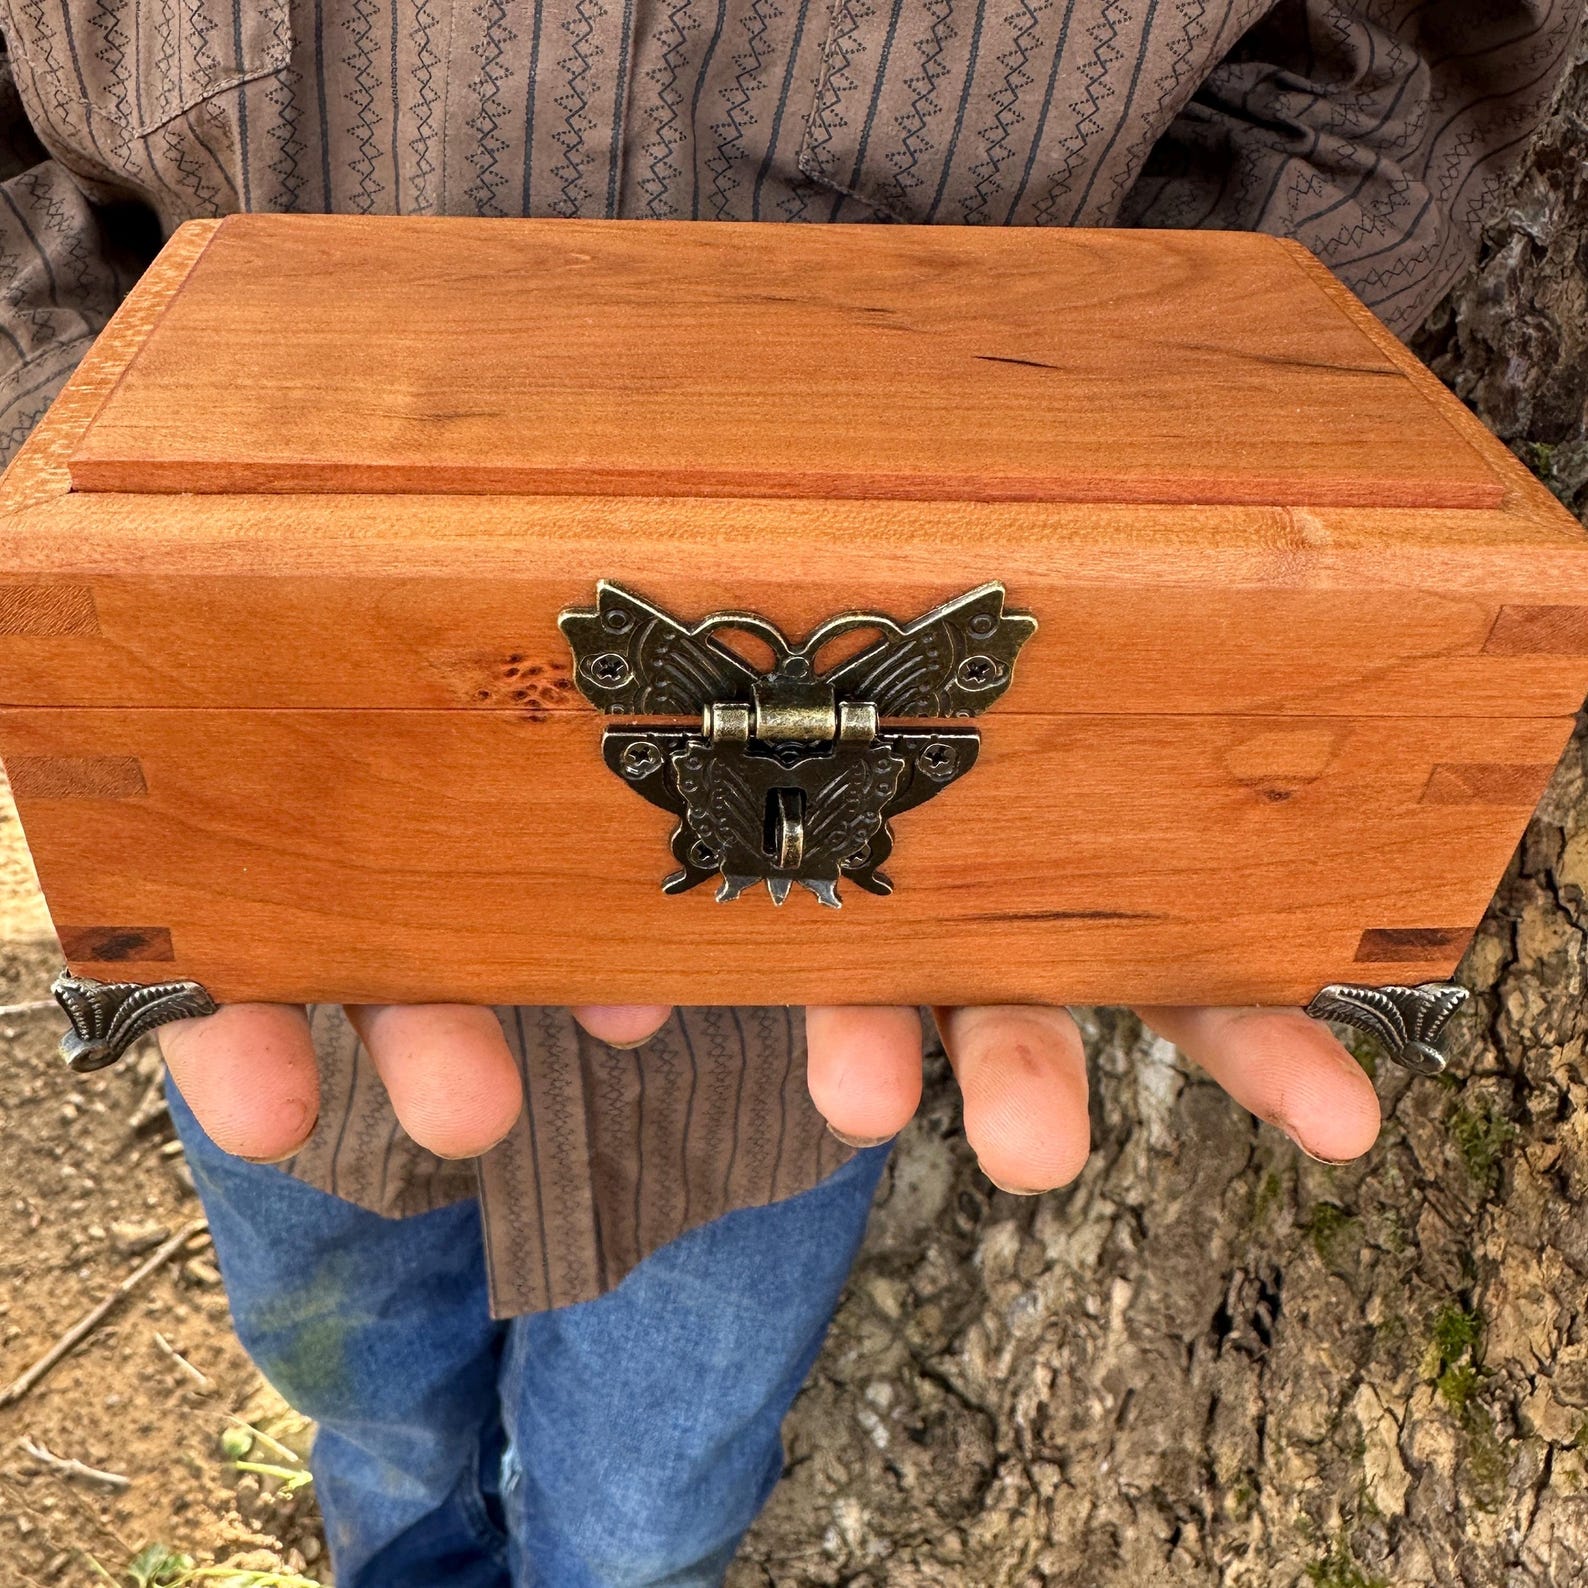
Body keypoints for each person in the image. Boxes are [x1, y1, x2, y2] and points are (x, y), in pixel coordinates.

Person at [0, 3, 1574, 1582]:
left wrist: (1133, 454)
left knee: (646, 1513)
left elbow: (1391, 73)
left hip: (770, 1079)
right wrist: (92, 503)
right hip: (293, 946)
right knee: (365, 1402)